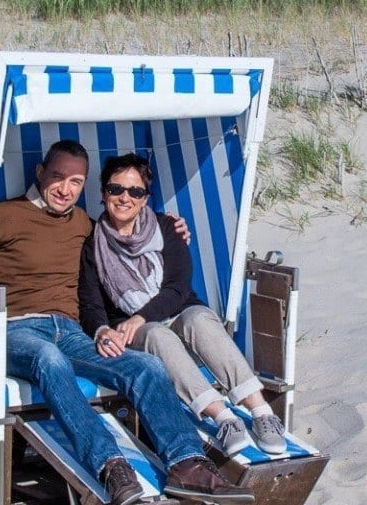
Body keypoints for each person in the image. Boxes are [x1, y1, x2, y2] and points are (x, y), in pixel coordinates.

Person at [0, 140, 254, 505]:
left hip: (71, 331)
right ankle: (111, 466)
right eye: (58, 177)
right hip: (19, 329)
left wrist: (172, 226)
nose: (65, 189)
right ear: (40, 173)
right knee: (49, 359)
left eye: (76, 182)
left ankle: (186, 463)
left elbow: (126, 232)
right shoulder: (3, 215)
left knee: (146, 366)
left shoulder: (84, 225)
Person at [79, 152, 288, 457]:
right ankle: (224, 418)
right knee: (157, 334)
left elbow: (178, 288)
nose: (125, 198)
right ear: (103, 193)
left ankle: (262, 412)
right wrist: (101, 330)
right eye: (116, 189)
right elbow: (90, 302)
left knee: (199, 320)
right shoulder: (93, 243)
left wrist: (141, 315)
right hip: (138, 332)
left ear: (145, 198)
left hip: (177, 313)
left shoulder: (166, 228)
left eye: (135, 191)